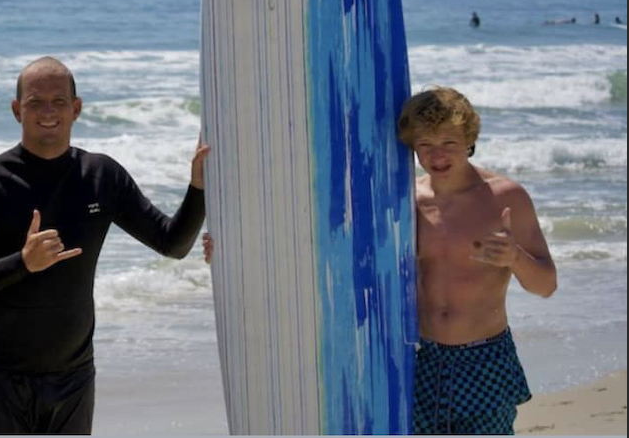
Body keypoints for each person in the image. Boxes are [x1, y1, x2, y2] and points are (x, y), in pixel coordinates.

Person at [202, 87, 557, 434]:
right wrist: (234, 249)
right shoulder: (404, 201)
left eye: (448, 143)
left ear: (469, 139)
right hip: (420, 360)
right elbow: (322, 245)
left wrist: (515, 257)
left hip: (485, 359)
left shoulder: (506, 198)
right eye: (425, 145)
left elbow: (546, 286)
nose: (438, 156)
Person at [0, 56, 209, 434]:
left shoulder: (101, 176)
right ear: (16, 110)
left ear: (77, 108)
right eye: (35, 102)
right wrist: (23, 262)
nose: (48, 112)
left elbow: (172, 243)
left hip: (74, 379)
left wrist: (197, 187)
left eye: (58, 101)